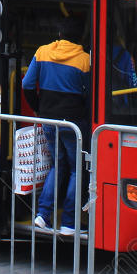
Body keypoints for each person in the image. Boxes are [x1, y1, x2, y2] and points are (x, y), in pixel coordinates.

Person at [22, 17, 92, 236]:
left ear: (60, 35)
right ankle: (69, 223)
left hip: (49, 120)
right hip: (74, 123)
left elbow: (26, 84)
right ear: (80, 37)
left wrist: (38, 109)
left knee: (57, 165)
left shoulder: (42, 52)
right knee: (76, 169)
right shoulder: (85, 60)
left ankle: (43, 215)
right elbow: (90, 95)